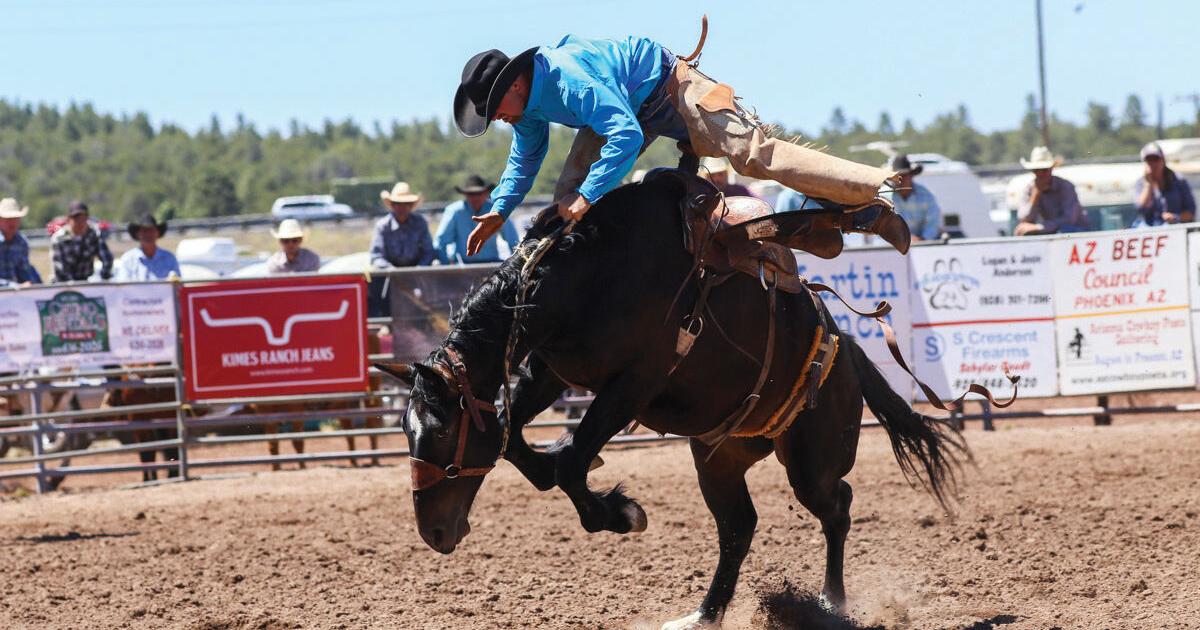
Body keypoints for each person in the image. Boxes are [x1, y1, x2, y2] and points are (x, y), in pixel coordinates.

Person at [453, 33, 908, 257]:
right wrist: (500, 207)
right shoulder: (528, 108)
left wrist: (590, 196)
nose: (499, 120)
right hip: (624, 104)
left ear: (514, 85)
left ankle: (871, 195)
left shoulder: (572, 84)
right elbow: (525, 156)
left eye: (496, 109)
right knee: (565, 194)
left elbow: (627, 136)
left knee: (753, 154)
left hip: (670, 88)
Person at [434, 175, 520, 264]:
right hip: (462, 265)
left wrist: (514, 265)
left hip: (490, 263)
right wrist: (447, 266)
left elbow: (513, 240)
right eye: (471, 194)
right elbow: (440, 241)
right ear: (465, 194)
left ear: (486, 193)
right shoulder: (454, 211)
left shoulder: (496, 211)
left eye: (479, 193)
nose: (475, 197)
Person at [1014, 147, 1089, 236]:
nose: (1041, 174)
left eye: (1044, 170)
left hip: (1076, 235)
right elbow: (1024, 219)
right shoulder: (1030, 189)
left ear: (1051, 169)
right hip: (1051, 233)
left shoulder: (1065, 187)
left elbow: (1069, 219)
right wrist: (1035, 195)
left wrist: (1039, 227)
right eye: (1036, 170)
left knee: (1063, 231)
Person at [370, 182, 434, 269]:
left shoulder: (420, 223)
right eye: (398, 204)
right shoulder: (383, 226)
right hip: (389, 276)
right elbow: (376, 256)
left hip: (418, 275)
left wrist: (419, 270)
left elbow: (428, 252)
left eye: (406, 204)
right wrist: (393, 271)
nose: (402, 207)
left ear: (411, 206)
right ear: (392, 205)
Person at [1132, 142, 1194, 228]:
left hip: (1176, 230)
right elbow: (1141, 208)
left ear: (1163, 160)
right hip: (1149, 231)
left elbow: (1191, 212)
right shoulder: (1140, 183)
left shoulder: (1179, 180)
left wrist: (1176, 217)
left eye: (1155, 159)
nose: (1153, 163)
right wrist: (1148, 184)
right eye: (1149, 160)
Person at [50, 200, 113, 282]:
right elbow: (59, 267)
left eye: (83, 219)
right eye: (76, 219)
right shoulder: (59, 238)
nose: (80, 223)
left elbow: (107, 258)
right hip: (63, 283)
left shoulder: (94, 235)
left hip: (86, 281)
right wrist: (75, 286)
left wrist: (103, 277)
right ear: (69, 220)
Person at [888, 154, 942, 241]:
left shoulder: (926, 196)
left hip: (923, 245)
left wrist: (922, 239)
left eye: (904, 175)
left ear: (911, 175)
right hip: (893, 247)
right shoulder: (885, 198)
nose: (900, 180)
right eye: (897, 176)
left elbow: (933, 223)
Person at [114, 214, 180, 281]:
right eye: (144, 231)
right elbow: (123, 287)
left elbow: (178, 285)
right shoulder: (128, 259)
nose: (148, 234)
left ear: (157, 233)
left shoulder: (169, 258)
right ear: (138, 234)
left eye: (151, 230)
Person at [0, 197, 42, 288]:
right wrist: (16, 286)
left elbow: (24, 271)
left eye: (15, 218)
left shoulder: (22, 243)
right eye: (8, 219)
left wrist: (30, 284)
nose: (12, 222)